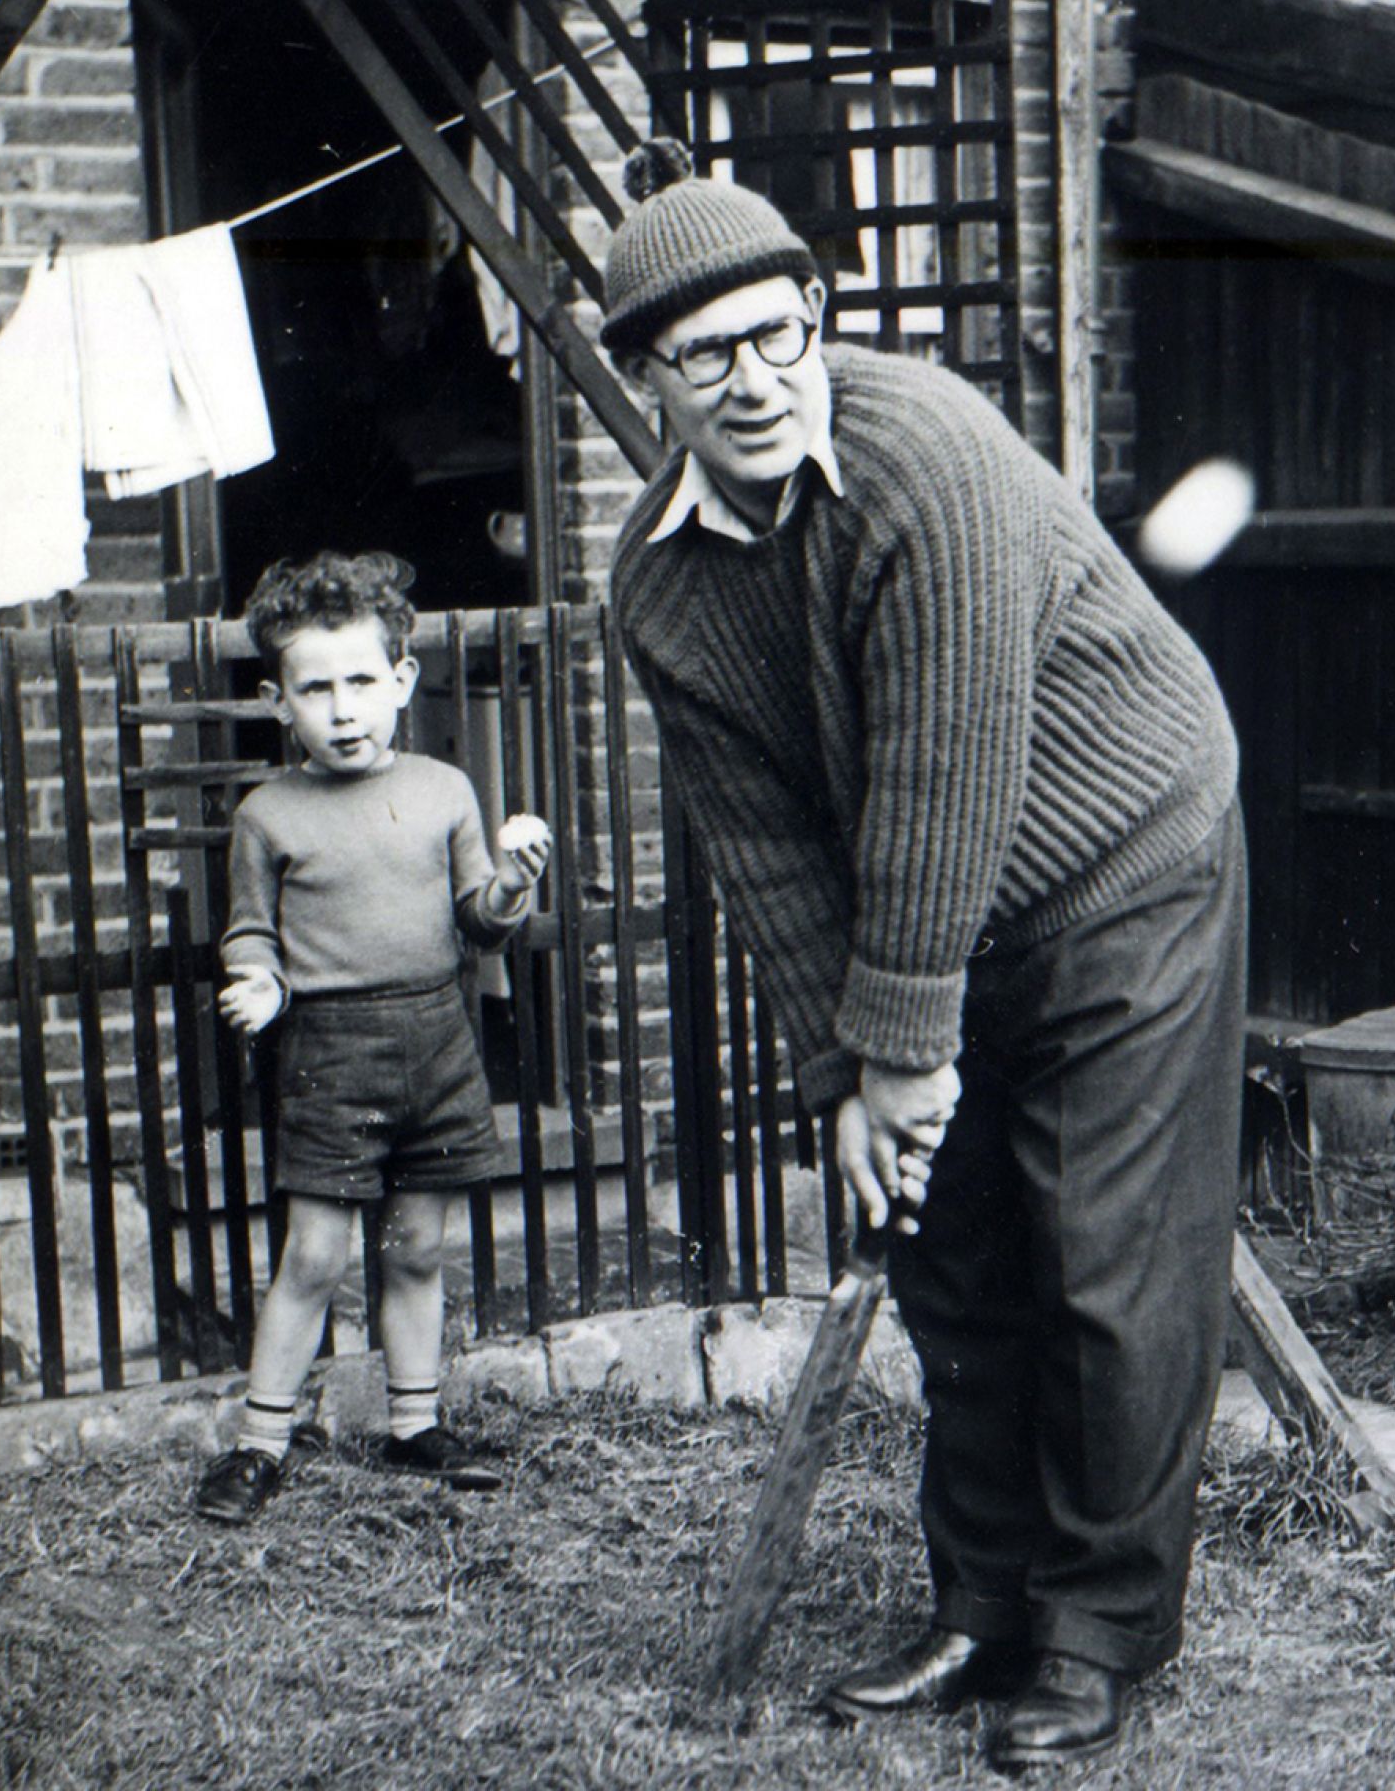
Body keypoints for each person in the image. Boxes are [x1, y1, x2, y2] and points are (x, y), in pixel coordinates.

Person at [602, 138, 1248, 1769]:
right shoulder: (658, 586)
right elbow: (765, 855)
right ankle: (981, 1600)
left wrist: (902, 1044)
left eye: (779, 333)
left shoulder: (923, 458)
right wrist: (850, 1075)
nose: (753, 381)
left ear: (819, 314)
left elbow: (942, 783)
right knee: (944, 1246)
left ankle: (1098, 1629)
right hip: (935, 924)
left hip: (1120, 862)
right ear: (643, 377)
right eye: (703, 354)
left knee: (1100, 1255)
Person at [192, 551, 552, 1525]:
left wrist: (514, 883)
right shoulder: (267, 814)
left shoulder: (443, 790)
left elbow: (478, 918)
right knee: (312, 1255)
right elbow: (251, 927)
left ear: (402, 679)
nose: (343, 708)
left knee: (416, 1246)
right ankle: (260, 1445)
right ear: (279, 700)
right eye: (316, 688)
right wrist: (259, 980)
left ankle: (415, 1428)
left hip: (437, 1040)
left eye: (361, 681)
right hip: (331, 1053)